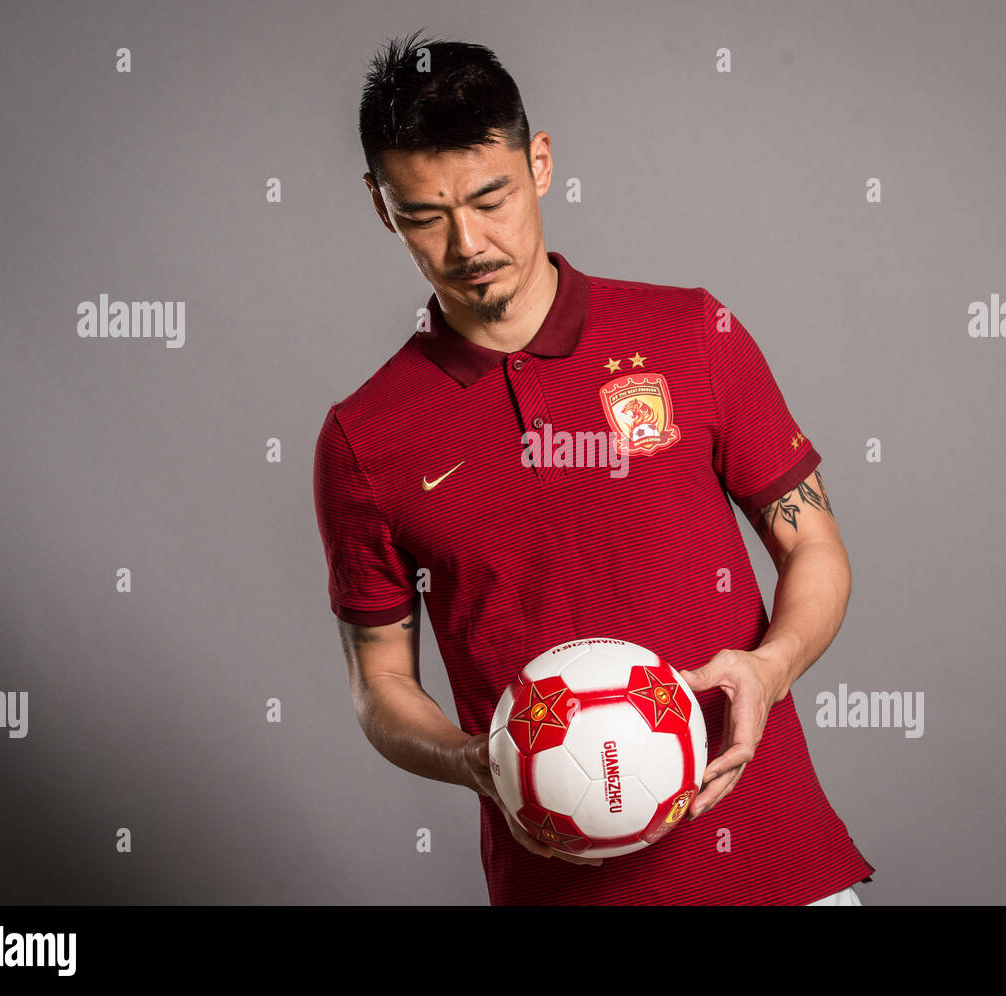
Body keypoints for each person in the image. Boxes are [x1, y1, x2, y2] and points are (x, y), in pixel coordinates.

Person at [312, 29, 874, 905]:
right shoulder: (364, 440)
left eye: (491, 197)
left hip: (778, 868)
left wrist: (773, 667)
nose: (468, 243)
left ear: (540, 164)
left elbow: (817, 551)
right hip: (559, 887)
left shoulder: (690, 334)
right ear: (382, 207)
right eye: (426, 214)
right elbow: (380, 685)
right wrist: (479, 761)